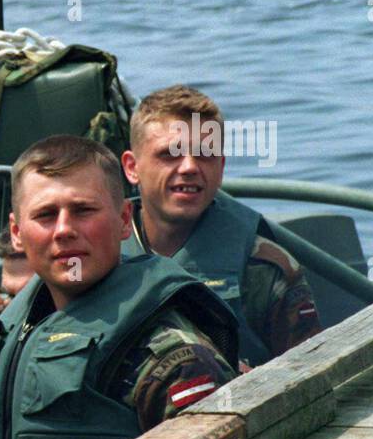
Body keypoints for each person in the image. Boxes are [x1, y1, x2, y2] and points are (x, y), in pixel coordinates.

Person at [0, 136, 239, 439]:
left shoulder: (168, 354)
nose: (64, 230)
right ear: (16, 232)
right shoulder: (0, 343)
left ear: (123, 221)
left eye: (83, 211)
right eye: (45, 215)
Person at [120, 85, 322, 366]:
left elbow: (309, 375)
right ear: (132, 167)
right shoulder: (96, 252)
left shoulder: (264, 268)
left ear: (221, 166)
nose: (190, 167)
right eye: (170, 155)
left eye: (205, 154)